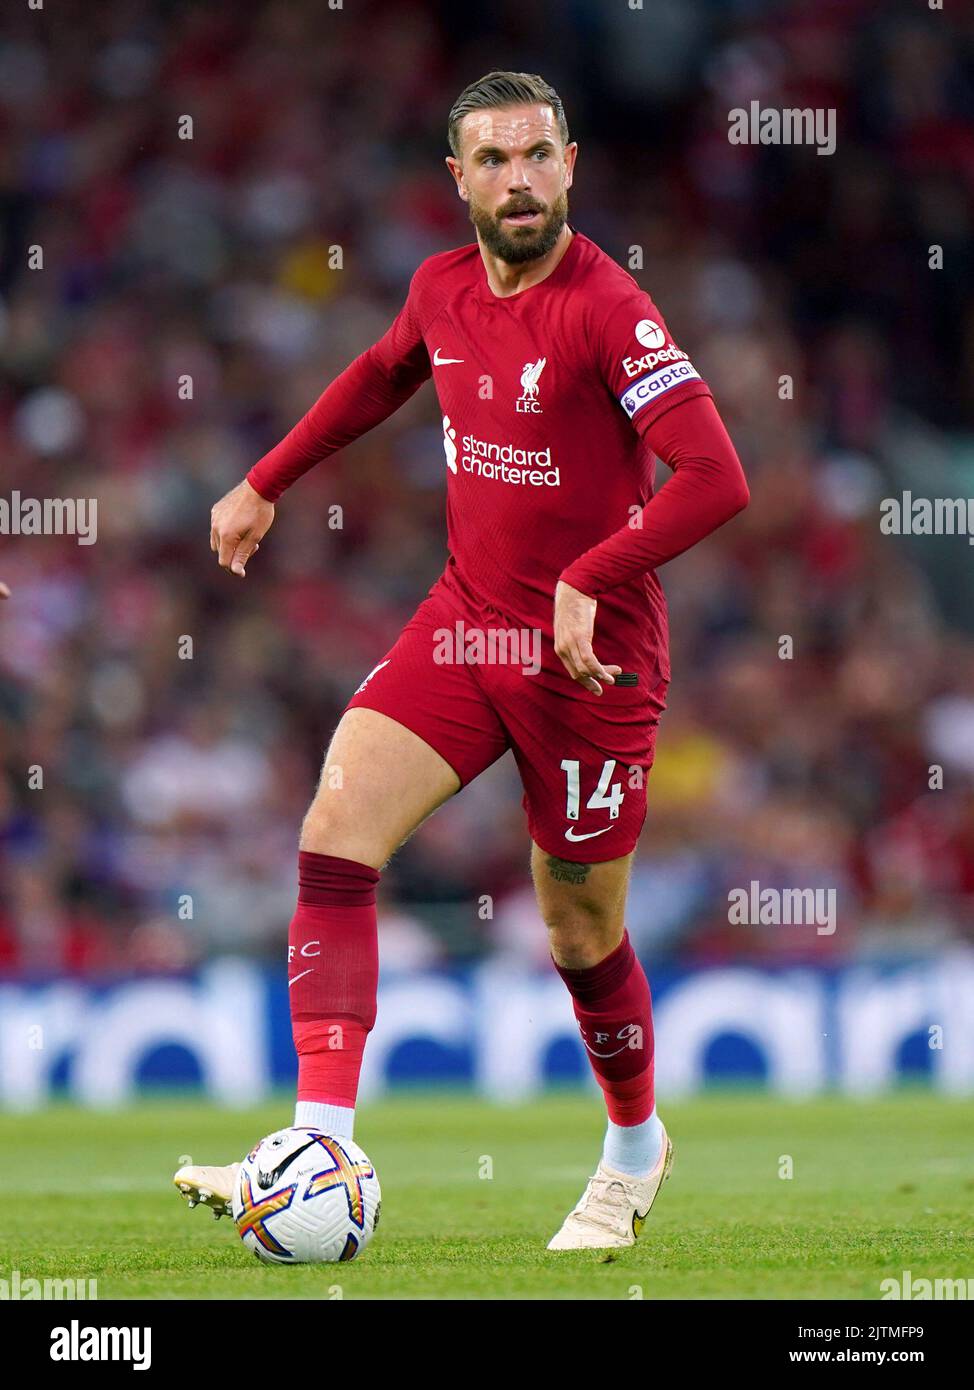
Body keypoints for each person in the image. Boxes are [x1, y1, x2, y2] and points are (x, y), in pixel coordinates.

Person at [175, 70, 748, 1250]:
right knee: (334, 836)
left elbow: (717, 478)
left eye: (537, 155)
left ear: (571, 164)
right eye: (492, 161)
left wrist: (592, 573)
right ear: (458, 180)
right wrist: (263, 480)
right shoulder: (440, 288)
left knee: (579, 934)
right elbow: (381, 373)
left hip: (592, 663)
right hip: (465, 622)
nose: (519, 180)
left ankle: (635, 1149)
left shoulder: (609, 307)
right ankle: (314, 1147)